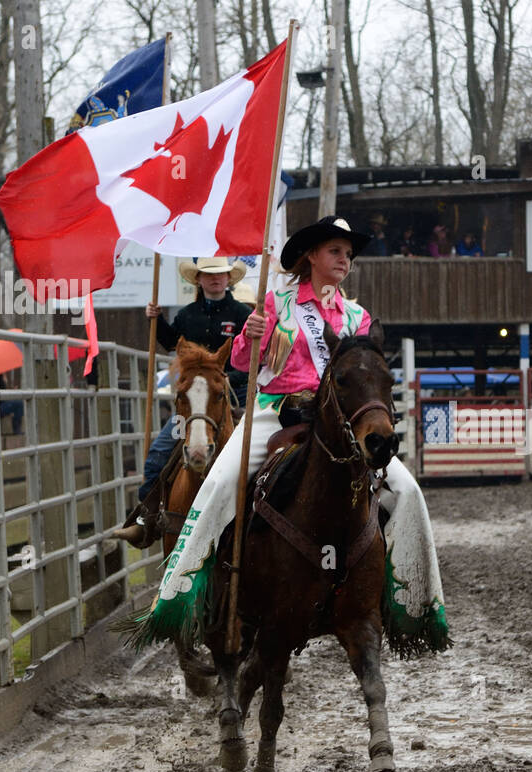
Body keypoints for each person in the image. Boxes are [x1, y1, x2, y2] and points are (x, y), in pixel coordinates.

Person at [131, 215, 447, 646]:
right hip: (276, 411)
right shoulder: (276, 302)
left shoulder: (356, 316)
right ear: (311, 256)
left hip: (339, 424)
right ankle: (179, 596)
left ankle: (414, 609)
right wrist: (250, 336)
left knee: (408, 492)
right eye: (336, 251)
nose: (344, 260)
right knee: (220, 483)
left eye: (348, 254)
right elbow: (241, 363)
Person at [115, 257, 252, 547]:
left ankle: (256, 520)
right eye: (208, 274)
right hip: (192, 403)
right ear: (198, 280)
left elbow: (253, 356)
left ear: (229, 278)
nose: (216, 279)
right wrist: (157, 320)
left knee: (257, 454)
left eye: (221, 274)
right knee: (158, 453)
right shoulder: (188, 315)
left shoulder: (242, 315)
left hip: (231, 397)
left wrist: (231, 379)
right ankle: (147, 518)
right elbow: (170, 341)